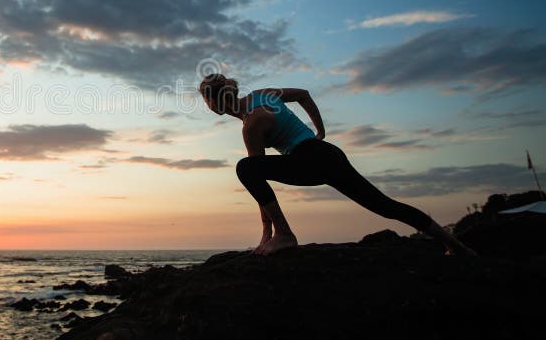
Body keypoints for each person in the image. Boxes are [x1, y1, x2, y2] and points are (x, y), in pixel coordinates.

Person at [198, 73, 477, 257]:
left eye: (205, 100)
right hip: (327, 153)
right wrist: (320, 131)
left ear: (213, 102)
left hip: (309, 160)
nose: (207, 105)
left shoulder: (252, 124)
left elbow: (257, 175)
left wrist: (267, 234)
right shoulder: (262, 94)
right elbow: (303, 94)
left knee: (246, 168)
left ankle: (284, 234)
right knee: (384, 205)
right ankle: (455, 245)